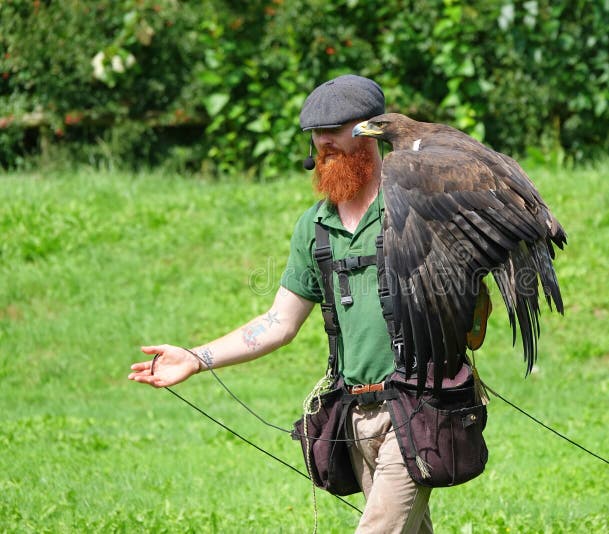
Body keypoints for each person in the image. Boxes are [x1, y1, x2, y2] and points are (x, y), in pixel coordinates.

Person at [128, 74, 435, 533]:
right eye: (317, 135)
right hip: (357, 416)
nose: (324, 143)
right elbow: (278, 322)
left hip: (419, 409)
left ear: (370, 130)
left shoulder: (418, 206)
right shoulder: (315, 227)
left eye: (337, 131)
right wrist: (196, 358)